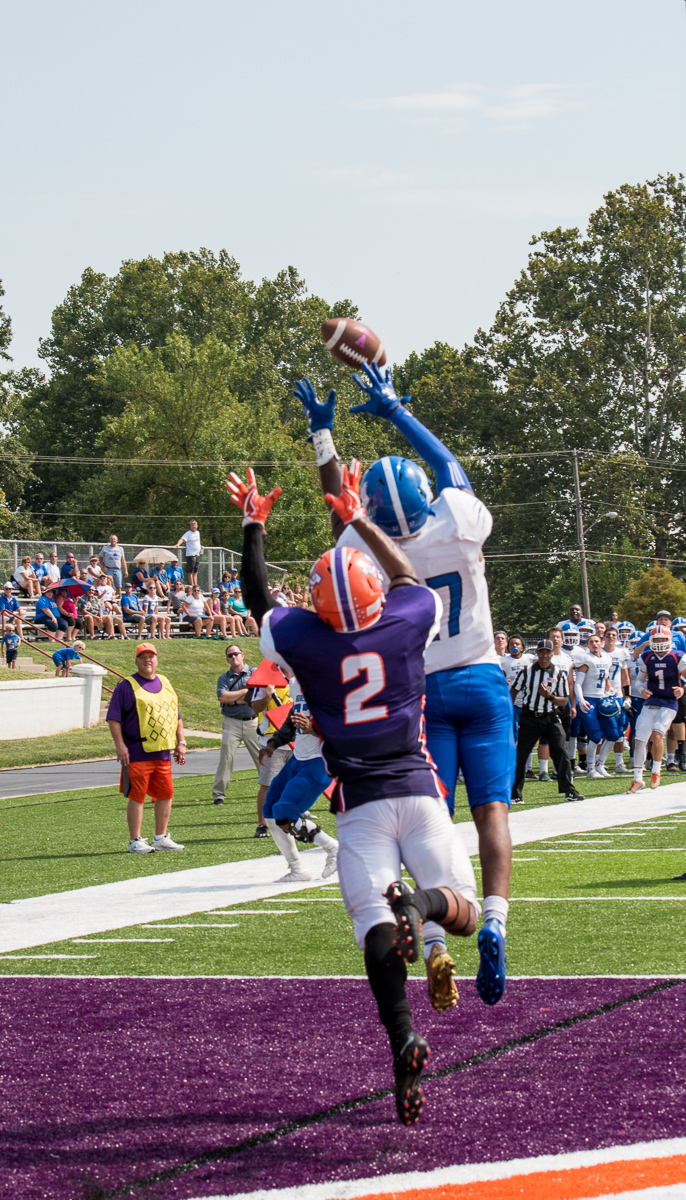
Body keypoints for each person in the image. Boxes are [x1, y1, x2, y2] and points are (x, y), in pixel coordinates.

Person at [230, 464, 479, 1127]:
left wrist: (253, 525)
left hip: (360, 807)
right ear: (374, 596)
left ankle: (402, 1037)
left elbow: (259, 601)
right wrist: (358, 520)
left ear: (318, 607)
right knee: (463, 910)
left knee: (373, 925)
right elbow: (409, 580)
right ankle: (422, 905)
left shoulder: (301, 638)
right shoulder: (406, 619)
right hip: (418, 792)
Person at [296, 365, 513, 1009]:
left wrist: (323, 436)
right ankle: (494, 920)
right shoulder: (461, 520)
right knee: (492, 812)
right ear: (424, 500)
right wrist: (394, 410)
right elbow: (447, 463)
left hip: (419, 693)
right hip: (482, 677)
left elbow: (339, 511)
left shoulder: (370, 549)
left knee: (432, 822)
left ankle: (437, 942)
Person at [106, 642, 186, 853]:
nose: (147, 660)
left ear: (157, 659)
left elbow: (176, 715)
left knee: (166, 794)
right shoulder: (126, 686)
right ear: (136, 661)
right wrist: (120, 746)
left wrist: (181, 741)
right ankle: (135, 840)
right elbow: (114, 718)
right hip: (137, 751)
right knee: (137, 795)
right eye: (143, 657)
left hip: (163, 752)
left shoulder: (165, 682)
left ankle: (160, 837)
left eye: (151, 656)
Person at [259, 675, 339, 881]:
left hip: (320, 760)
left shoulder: (335, 682)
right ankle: (297, 869)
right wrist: (273, 743)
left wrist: (313, 730)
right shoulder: (296, 682)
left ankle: (333, 848)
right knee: (270, 811)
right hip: (298, 758)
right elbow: (292, 719)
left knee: (284, 813)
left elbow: (347, 728)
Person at [510, 640, 583, 804]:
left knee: (561, 753)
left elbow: (563, 700)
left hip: (550, 717)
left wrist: (550, 696)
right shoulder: (526, 671)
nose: (544, 655)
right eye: (541, 652)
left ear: (551, 654)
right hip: (530, 717)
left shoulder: (558, 673)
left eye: (547, 652)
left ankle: (569, 791)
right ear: (537, 653)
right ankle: (515, 794)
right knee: (520, 755)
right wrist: (509, 711)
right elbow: (513, 691)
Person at [628, 624, 686, 793]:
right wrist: (641, 690)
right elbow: (639, 680)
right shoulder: (646, 657)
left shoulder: (677, 657)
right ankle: (637, 779)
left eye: (663, 639)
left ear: (669, 640)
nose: (660, 642)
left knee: (657, 734)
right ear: (651, 640)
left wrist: (682, 689)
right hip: (652, 699)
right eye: (657, 639)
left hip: (669, 701)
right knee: (640, 738)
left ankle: (656, 772)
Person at [212, 644, 261, 804]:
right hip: (231, 722)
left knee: (262, 757)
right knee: (226, 759)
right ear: (227, 659)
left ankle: (272, 789)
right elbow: (223, 698)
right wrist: (246, 692)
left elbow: (258, 694)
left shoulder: (254, 672)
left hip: (253, 722)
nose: (233, 657)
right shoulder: (223, 678)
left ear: (242, 655)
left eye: (236, 654)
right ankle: (219, 795)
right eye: (230, 655)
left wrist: (234, 699)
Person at [574, 633, 623, 779]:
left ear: (601, 643)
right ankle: (590, 769)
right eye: (591, 642)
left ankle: (600, 764)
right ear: (588, 645)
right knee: (595, 735)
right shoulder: (586, 659)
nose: (594, 644)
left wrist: (611, 691)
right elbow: (578, 683)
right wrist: (581, 699)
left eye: (597, 641)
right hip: (589, 700)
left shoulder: (607, 658)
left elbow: (606, 680)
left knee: (614, 735)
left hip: (603, 699)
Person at [251, 674, 293, 837]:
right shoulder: (267, 678)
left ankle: (289, 820)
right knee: (267, 784)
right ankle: (262, 824)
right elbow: (255, 708)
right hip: (273, 740)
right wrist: (267, 696)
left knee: (294, 783)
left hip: (298, 740)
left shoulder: (302, 675)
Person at [175, 520, 202, 588]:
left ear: (197, 526)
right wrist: (178, 544)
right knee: (190, 571)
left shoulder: (198, 533)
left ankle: (195, 585)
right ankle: (192, 585)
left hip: (197, 554)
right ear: (190, 526)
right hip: (191, 555)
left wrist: (200, 546)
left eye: (195, 525)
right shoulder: (188, 533)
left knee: (195, 571)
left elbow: (196, 542)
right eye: (192, 525)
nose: (193, 526)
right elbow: (182, 539)